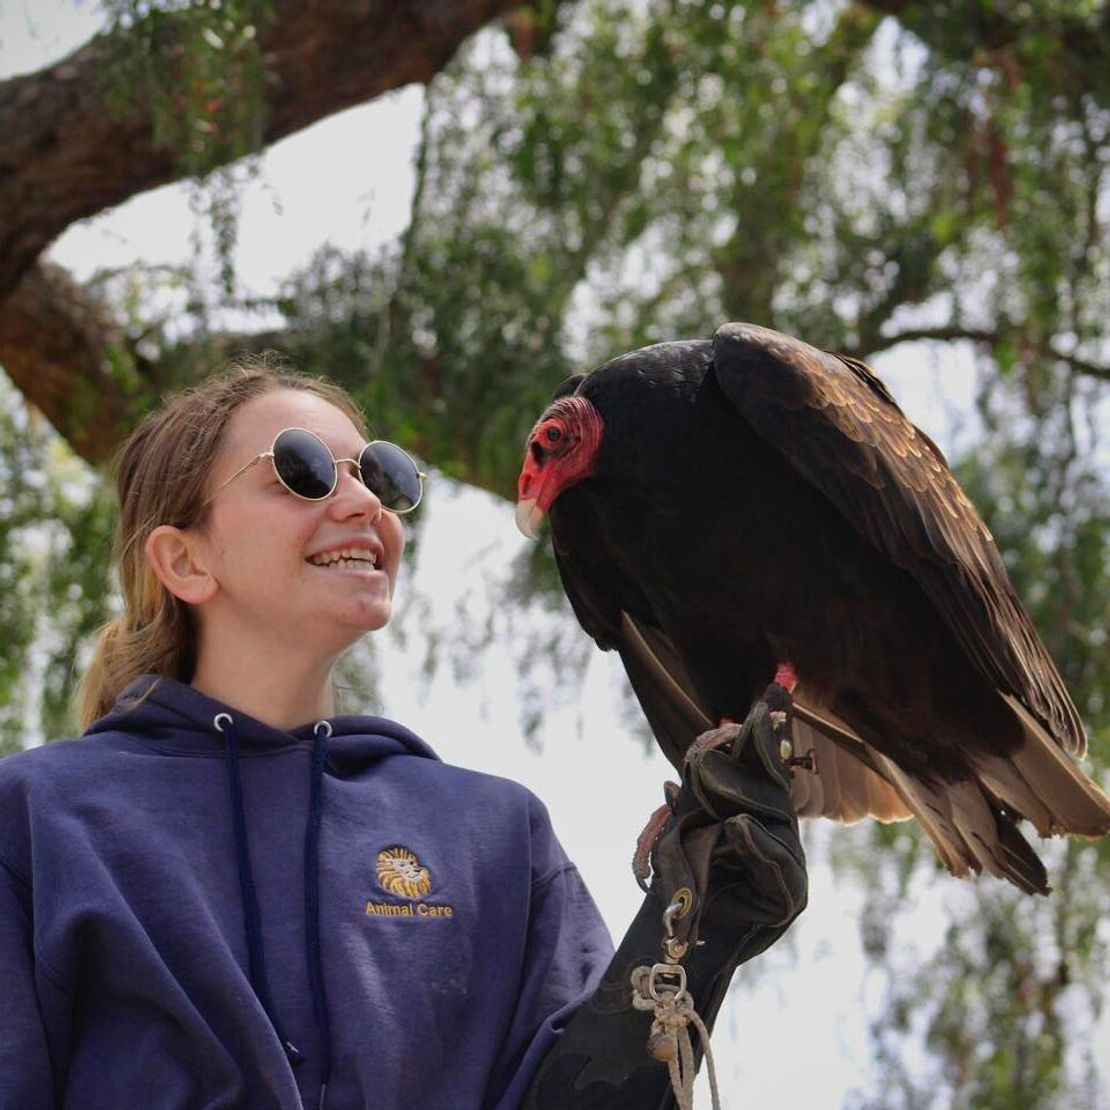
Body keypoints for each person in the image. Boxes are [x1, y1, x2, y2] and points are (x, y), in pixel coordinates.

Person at [0, 359, 806, 1108]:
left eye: (380, 475)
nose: (362, 504)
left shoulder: (495, 833)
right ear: (184, 561)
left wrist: (699, 931)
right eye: (303, 472)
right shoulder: (42, 816)